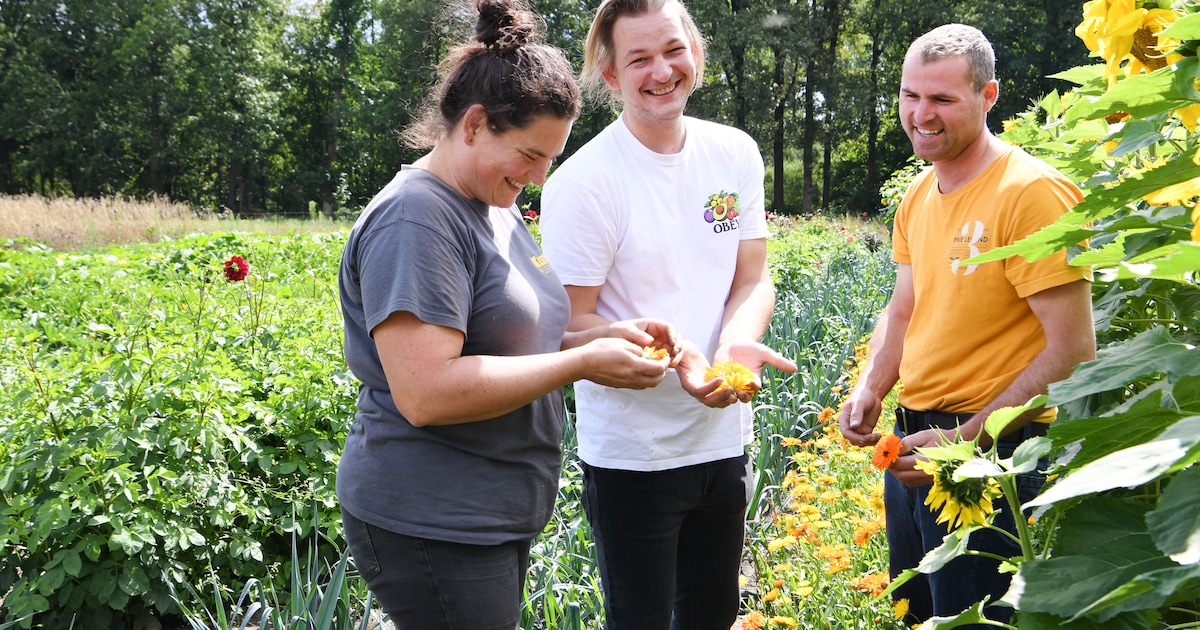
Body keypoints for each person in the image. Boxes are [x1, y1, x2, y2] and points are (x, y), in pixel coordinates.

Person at [335, 1, 684, 627]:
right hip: (434, 517)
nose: (539, 173)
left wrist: (607, 333)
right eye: (529, 155)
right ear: (474, 124)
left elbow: (518, 335)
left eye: (549, 158)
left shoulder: (492, 204)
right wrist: (580, 363)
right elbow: (427, 392)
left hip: (485, 511)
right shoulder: (418, 219)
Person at [539, 0, 797, 627]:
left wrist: (734, 349)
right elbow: (571, 324)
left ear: (695, 53)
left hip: (723, 439)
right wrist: (678, 356)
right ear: (610, 76)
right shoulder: (583, 182)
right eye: (639, 58)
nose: (661, 71)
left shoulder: (733, 153)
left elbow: (752, 278)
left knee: (714, 615)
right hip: (635, 456)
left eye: (673, 50)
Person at [837, 23, 1097, 627]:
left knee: (977, 619)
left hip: (996, 459)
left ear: (988, 96)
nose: (919, 114)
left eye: (942, 99)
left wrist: (968, 440)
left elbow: (1073, 350)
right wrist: (872, 385)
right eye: (910, 95)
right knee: (922, 614)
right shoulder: (920, 194)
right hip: (915, 445)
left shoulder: (1032, 194)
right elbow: (903, 308)